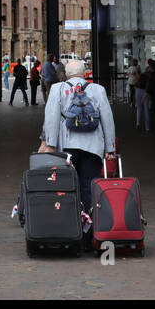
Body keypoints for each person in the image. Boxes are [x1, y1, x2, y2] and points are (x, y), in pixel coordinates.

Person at [37, 58, 116, 251]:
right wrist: (110, 148)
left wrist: (50, 144)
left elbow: (52, 117)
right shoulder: (97, 90)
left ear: (67, 74)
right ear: (84, 73)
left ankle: (72, 231)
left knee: (69, 188)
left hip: (67, 147)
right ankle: (92, 233)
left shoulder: (58, 89)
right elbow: (107, 119)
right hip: (93, 147)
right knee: (90, 187)